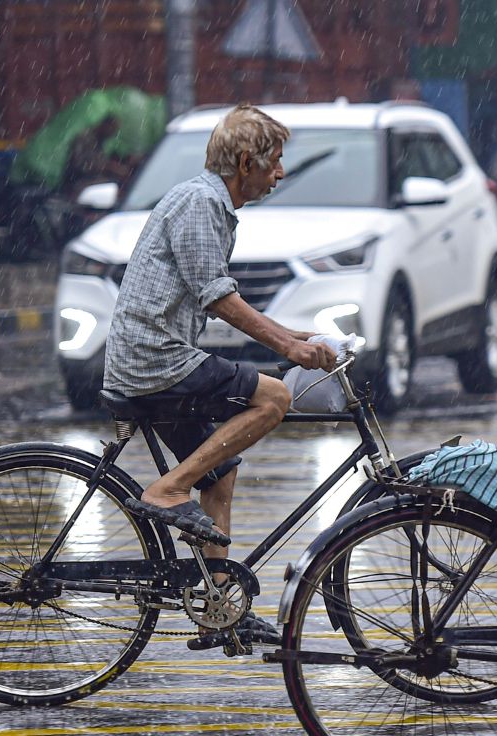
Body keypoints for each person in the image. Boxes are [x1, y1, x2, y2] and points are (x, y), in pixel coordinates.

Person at [102, 104, 337, 636]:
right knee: (274, 397)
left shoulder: (210, 204)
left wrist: (297, 336)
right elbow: (219, 298)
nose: (280, 174)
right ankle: (166, 489)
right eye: (275, 163)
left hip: (159, 357)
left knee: (221, 470)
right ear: (247, 162)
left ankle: (218, 608)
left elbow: (218, 293)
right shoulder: (200, 202)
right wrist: (288, 350)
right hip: (154, 360)